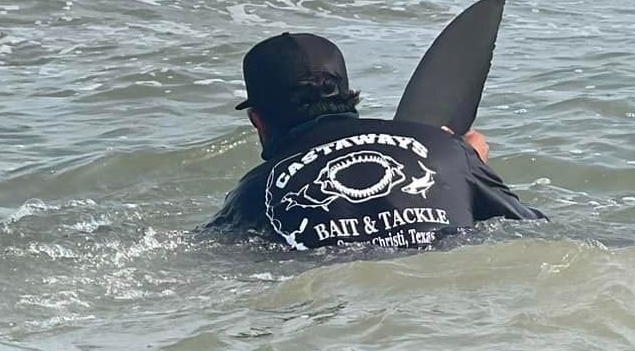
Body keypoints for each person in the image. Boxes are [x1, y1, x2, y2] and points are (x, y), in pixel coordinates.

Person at [200, 31, 542, 250]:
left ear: (258, 120)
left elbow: (215, 259)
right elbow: (533, 229)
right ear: (347, 94)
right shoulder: (445, 150)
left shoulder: (255, 194)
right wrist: (469, 165)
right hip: (449, 304)